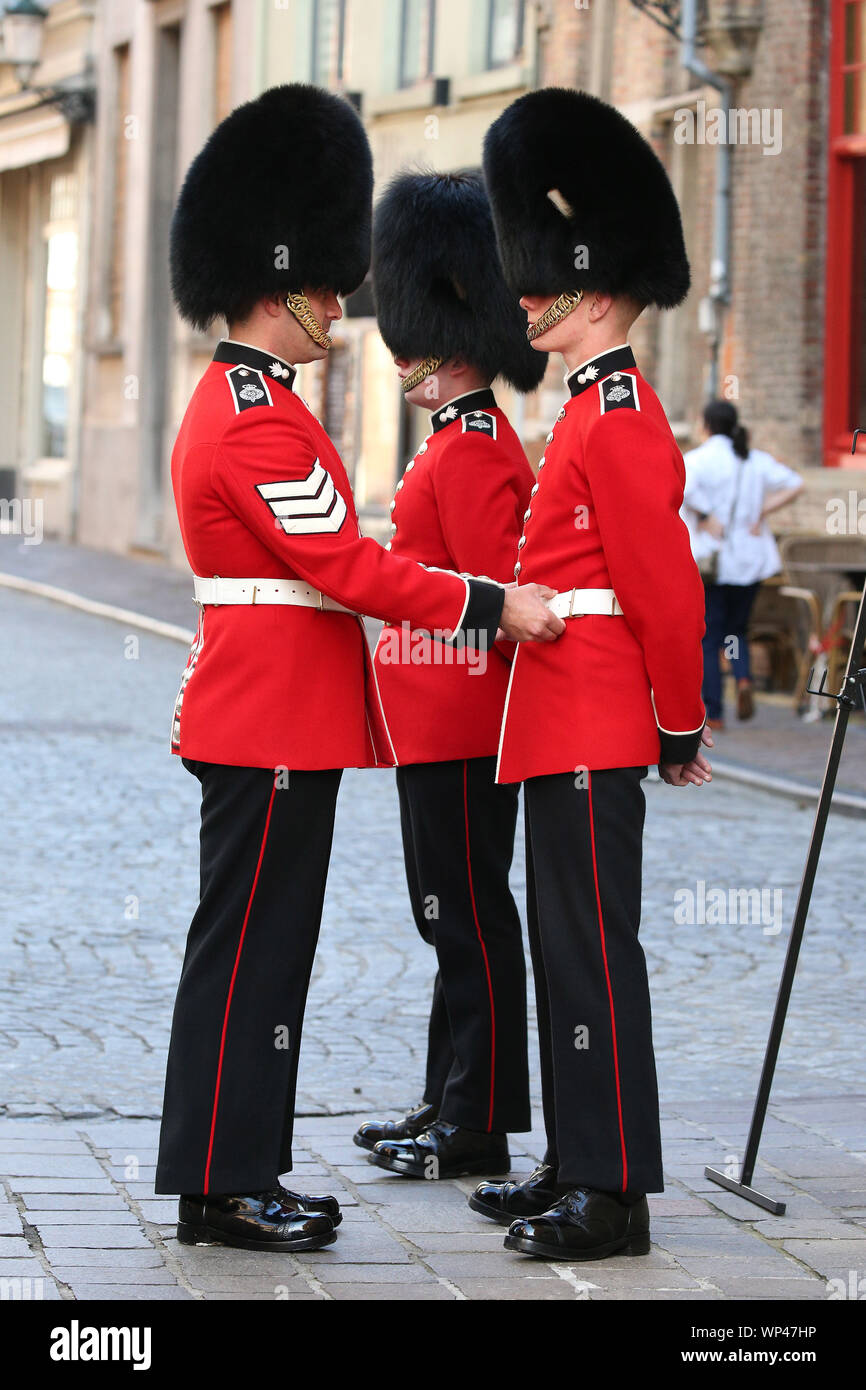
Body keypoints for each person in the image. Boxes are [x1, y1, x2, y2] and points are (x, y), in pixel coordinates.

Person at [153, 83, 563, 1254]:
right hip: (271, 717)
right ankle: (230, 1184)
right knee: (253, 956)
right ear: (282, 286)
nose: (342, 304)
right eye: (328, 284)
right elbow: (349, 568)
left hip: (271, 713)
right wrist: (495, 602)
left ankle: (232, 1172)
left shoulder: (250, 403)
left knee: (253, 950)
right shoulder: (258, 416)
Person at [475, 86, 713, 1261]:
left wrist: (676, 723)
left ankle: (612, 1189)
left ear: (600, 286)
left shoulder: (617, 413)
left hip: (597, 719)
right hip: (558, 716)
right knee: (562, 949)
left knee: (589, 953)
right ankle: (573, 1156)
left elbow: (662, 591)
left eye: (545, 278)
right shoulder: (578, 410)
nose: (525, 297)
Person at [352, 171, 547, 1180]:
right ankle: (447, 1097)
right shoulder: (454, 442)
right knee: (448, 916)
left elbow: (490, 602)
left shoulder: (470, 450)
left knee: (466, 917)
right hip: (434, 722)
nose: (401, 360)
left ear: (453, 343)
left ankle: (474, 1124)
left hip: (462, 723)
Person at [682, 400, 803, 729]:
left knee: (709, 635)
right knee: (736, 632)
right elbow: (795, 483)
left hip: (712, 562)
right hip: (750, 560)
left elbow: (680, 489)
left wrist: (705, 515)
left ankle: (716, 711)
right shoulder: (754, 460)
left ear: (706, 424)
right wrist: (762, 511)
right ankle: (743, 677)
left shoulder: (697, 460)